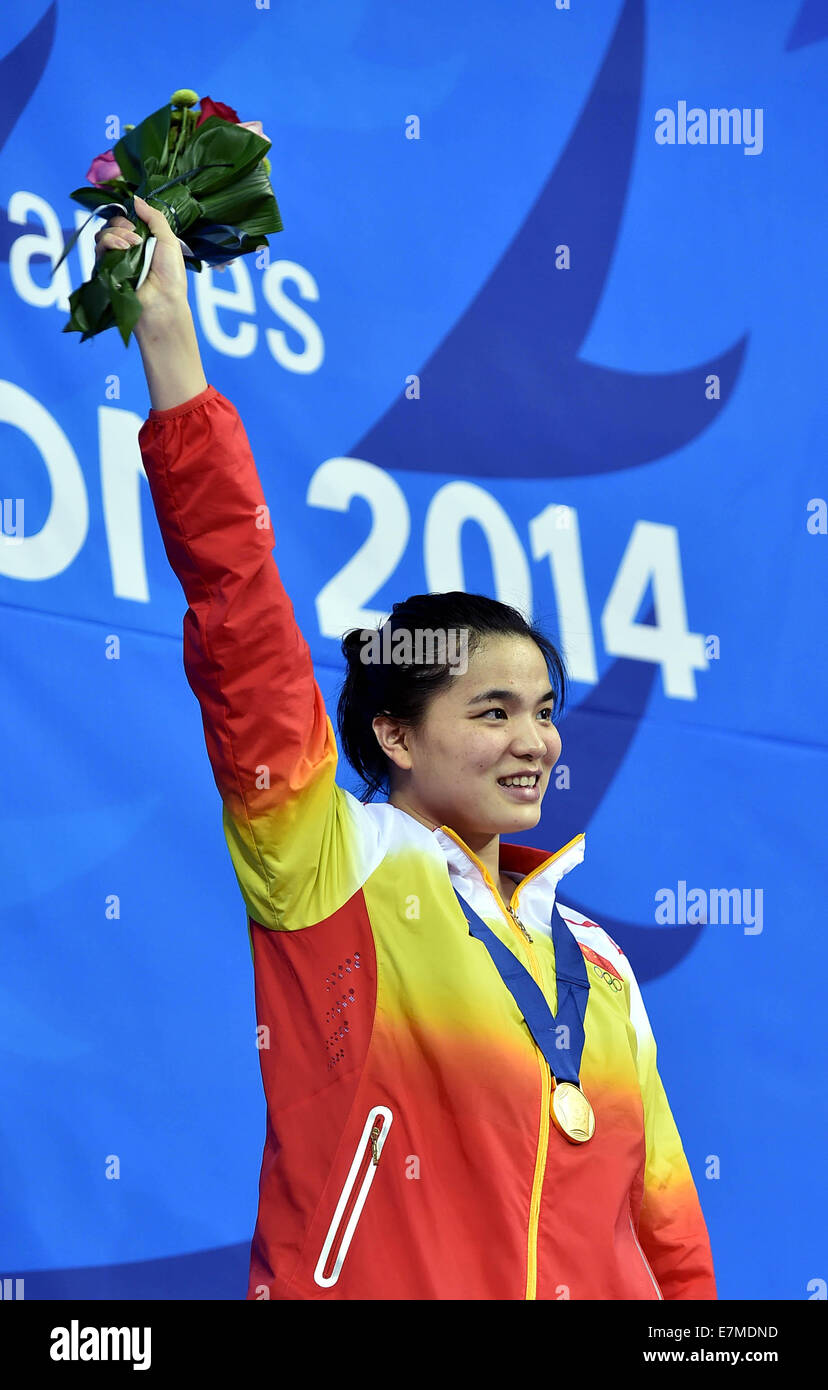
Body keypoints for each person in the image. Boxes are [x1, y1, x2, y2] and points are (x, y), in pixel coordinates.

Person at [95, 197, 717, 1301]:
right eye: (491, 712)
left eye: (542, 708)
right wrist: (171, 352)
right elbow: (245, 637)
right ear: (393, 731)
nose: (534, 741)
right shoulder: (336, 868)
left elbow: (668, 1239)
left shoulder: (604, 974)